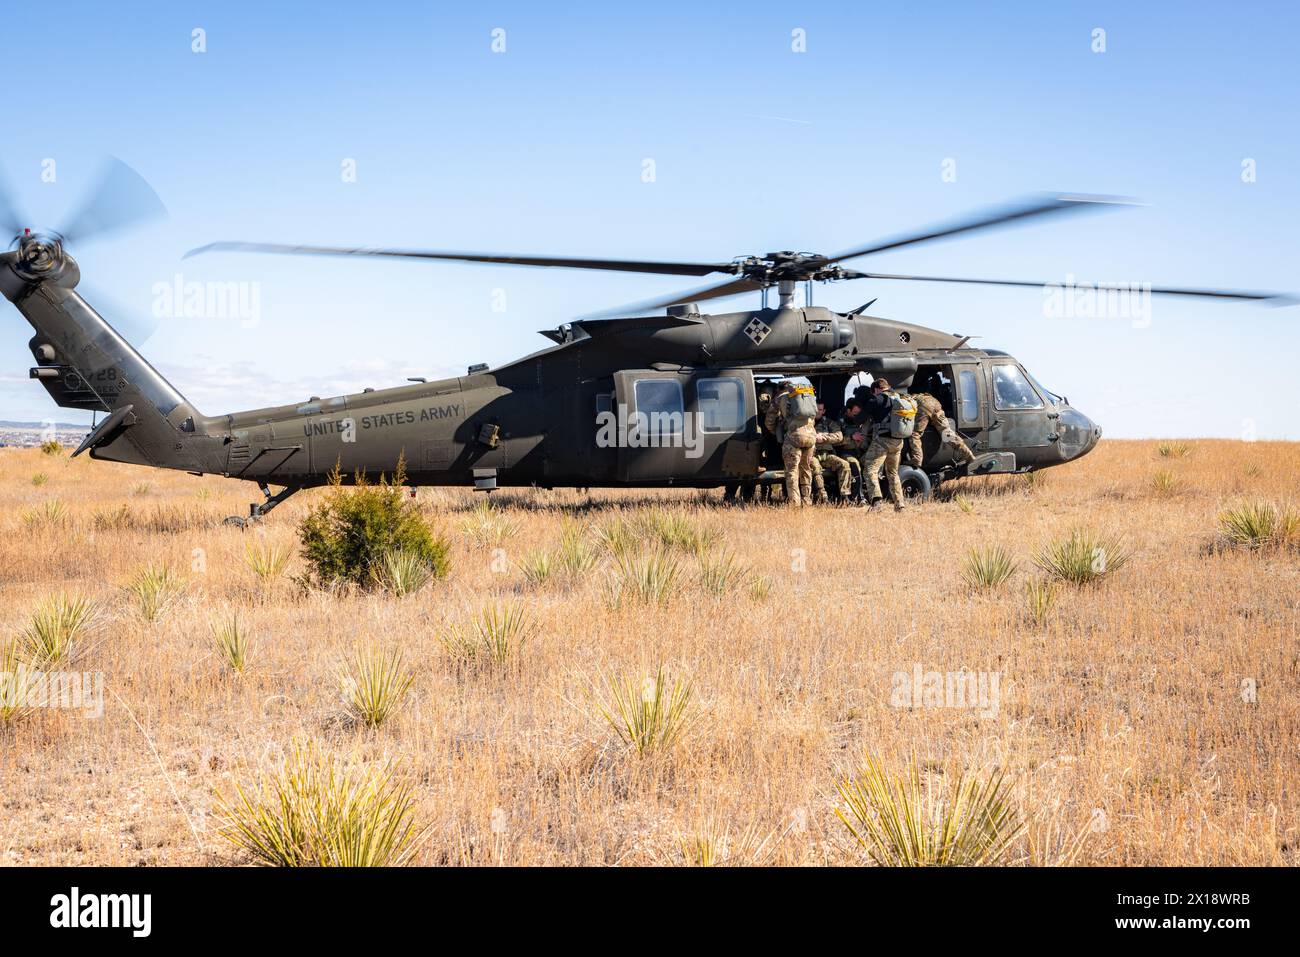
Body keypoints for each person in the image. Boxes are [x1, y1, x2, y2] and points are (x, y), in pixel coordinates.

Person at [851, 377, 915, 511]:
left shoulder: (876, 399)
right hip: (898, 441)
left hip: (882, 441)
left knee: (869, 470)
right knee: (892, 473)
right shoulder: (900, 399)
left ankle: (877, 502)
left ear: (876, 389)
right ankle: (900, 505)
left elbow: (859, 419)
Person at [764, 380, 818, 507]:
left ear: (780, 388)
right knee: (806, 469)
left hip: (793, 437)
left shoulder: (780, 398)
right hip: (811, 437)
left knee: (792, 471)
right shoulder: (806, 396)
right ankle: (806, 500)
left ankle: (795, 504)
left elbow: (769, 420)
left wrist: (776, 432)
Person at [907, 385, 974, 468]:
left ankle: (917, 459)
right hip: (935, 402)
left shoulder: (905, 398)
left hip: (924, 406)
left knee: (915, 434)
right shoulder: (921, 395)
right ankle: (968, 455)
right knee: (947, 433)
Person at [813, 400, 853, 501]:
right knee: (816, 469)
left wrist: (823, 437)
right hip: (812, 455)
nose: (817, 411)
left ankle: (845, 496)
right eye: (815, 409)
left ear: (824, 411)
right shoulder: (806, 423)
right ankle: (822, 496)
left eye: (820, 409)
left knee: (844, 465)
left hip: (827, 455)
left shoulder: (829, 423)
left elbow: (839, 436)